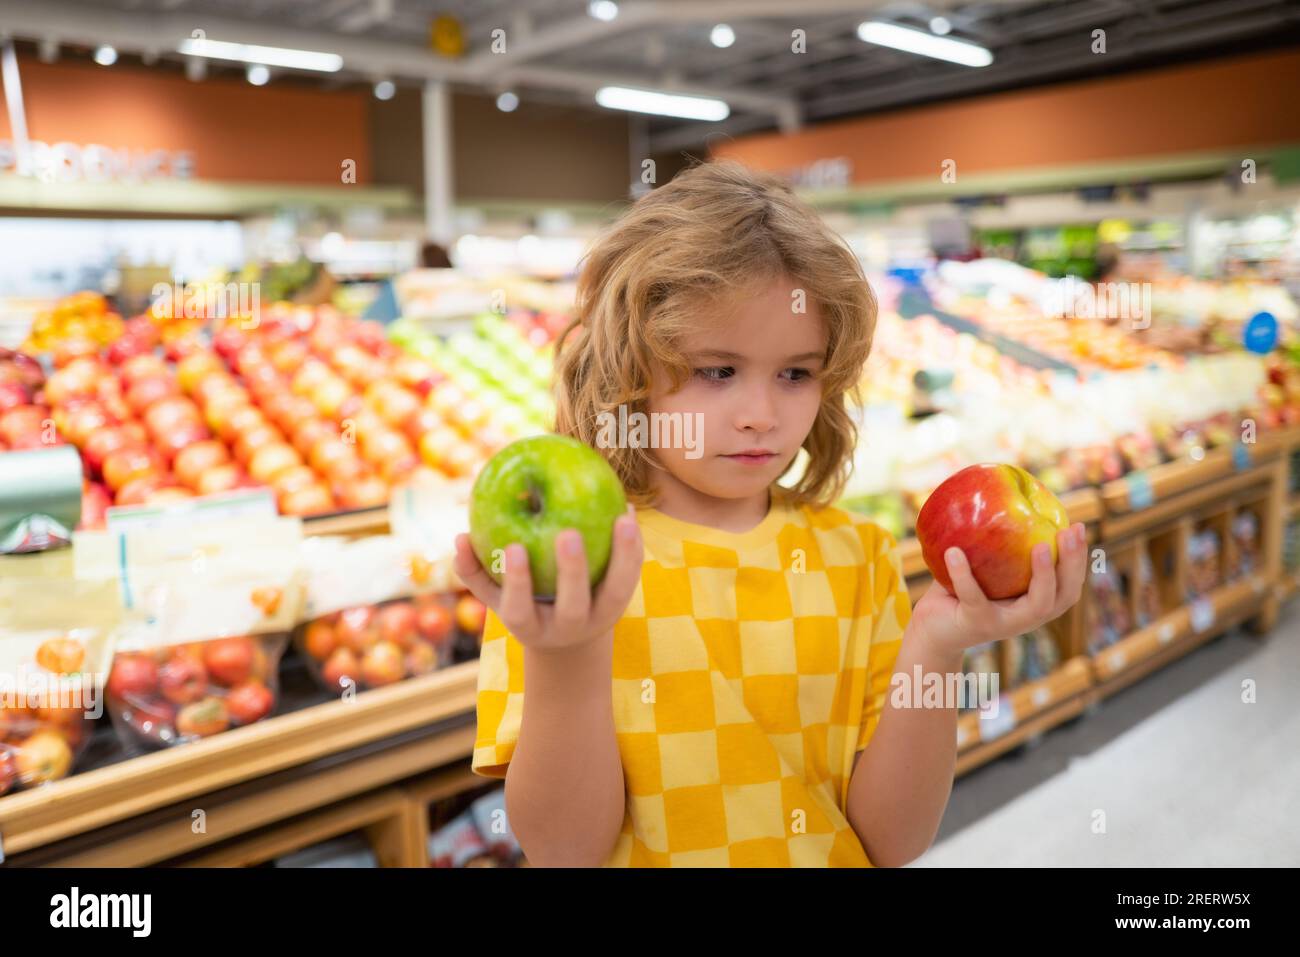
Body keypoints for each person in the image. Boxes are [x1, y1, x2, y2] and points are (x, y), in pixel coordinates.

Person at [453, 160, 1087, 868]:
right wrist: (565, 654)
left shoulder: (859, 558)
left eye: (795, 373)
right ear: (625, 368)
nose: (760, 416)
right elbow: (565, 849)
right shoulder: (571, 573)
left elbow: (891, 840)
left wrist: (939, 645)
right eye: (717, 370)